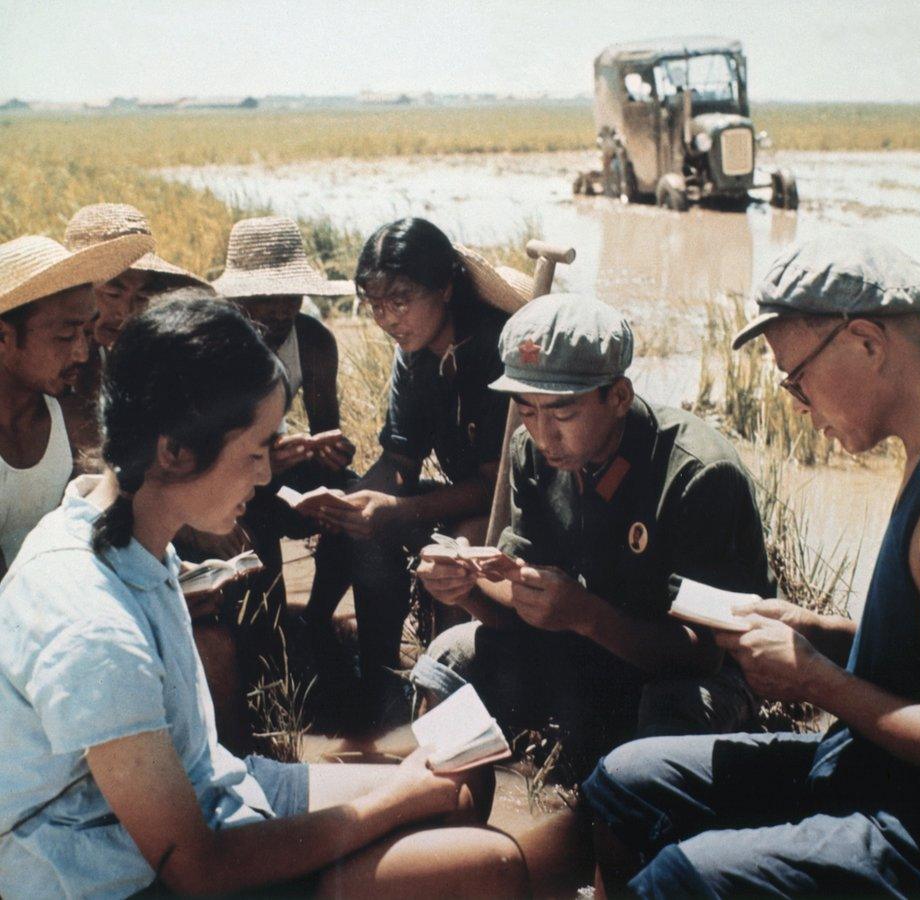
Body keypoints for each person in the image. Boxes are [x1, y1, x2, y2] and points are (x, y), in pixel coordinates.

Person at [0, 299, 566, 899]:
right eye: (255, 451)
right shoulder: (92, 624)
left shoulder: (117, 525)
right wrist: (393, 800)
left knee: (459, 785)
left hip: (210, 794)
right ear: (173, 451)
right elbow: (197, 869)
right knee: (491, 864)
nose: (267, 475)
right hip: (107, 871)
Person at [584, 232, 920, 896]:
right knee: (622, 785)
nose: (796, 405)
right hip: (865, 759)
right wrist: (814, 630)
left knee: (680, 880)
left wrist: (818, 682)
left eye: (796, 376)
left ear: (867, 343)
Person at [413, 294, 771, 770]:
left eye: (562, 414)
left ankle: (630, 832)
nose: (543, 435)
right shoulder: (532, 454)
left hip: (687, 678)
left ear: (618, 397)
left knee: (670, 717)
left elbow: (705, 656)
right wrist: (468, 588)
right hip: (587, 650)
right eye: (526, 410)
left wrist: (586, 616)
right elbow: (522, 615)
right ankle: (442, 818)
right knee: (452, 657)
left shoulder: (699, 475)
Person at [315, 217, 531, 723]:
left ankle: (453, 701)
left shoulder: (495, 350)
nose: (388, 318)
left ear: (447, 288)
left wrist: (401, 509)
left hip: (517, 507)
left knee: (462, 543)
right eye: (375, 305)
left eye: (401, 300)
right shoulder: (413, 357)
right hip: (467, 493)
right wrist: (347, 506)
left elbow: (496, 485)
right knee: (363, 529)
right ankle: (380, 680)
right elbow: (399, 462)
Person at [211, 215, 358, 719]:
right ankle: (270, 657)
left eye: (290, 297)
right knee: (261, 586)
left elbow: (326, 429)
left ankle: (317, 619)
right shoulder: (212, 345)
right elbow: (204, 455)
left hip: (275, 467)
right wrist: (264, 461)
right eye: (264, 299)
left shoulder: (313, 343)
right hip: (224, 480)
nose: (278, 311)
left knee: (349, 504)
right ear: (236, 299)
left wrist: (330, 452)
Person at [0, 231, 152, 580]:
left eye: (87, 333)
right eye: (66, 336)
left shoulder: (64, 417)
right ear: (5, 337)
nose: (82, 353)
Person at [59, 203, 213, 461]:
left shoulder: (128, 361)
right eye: (113, 293)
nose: (126, 312)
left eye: (141, 297)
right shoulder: (39, 360)